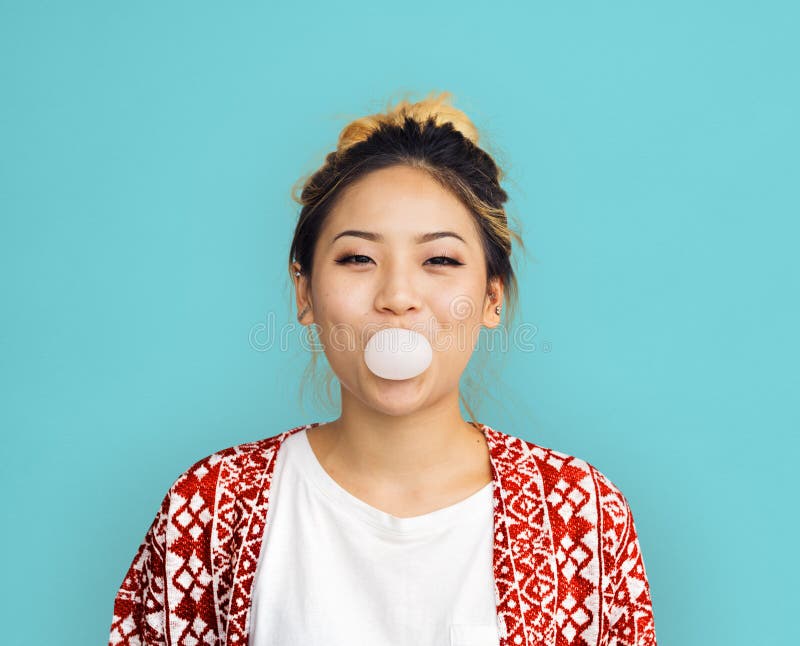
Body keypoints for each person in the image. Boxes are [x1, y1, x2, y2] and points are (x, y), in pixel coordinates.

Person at [108, 91, 657, 646]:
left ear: (492, 296)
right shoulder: (212, 507)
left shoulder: (583, 518)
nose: (397, 297)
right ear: (305, 292)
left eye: (439, 259)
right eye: (358, 258)